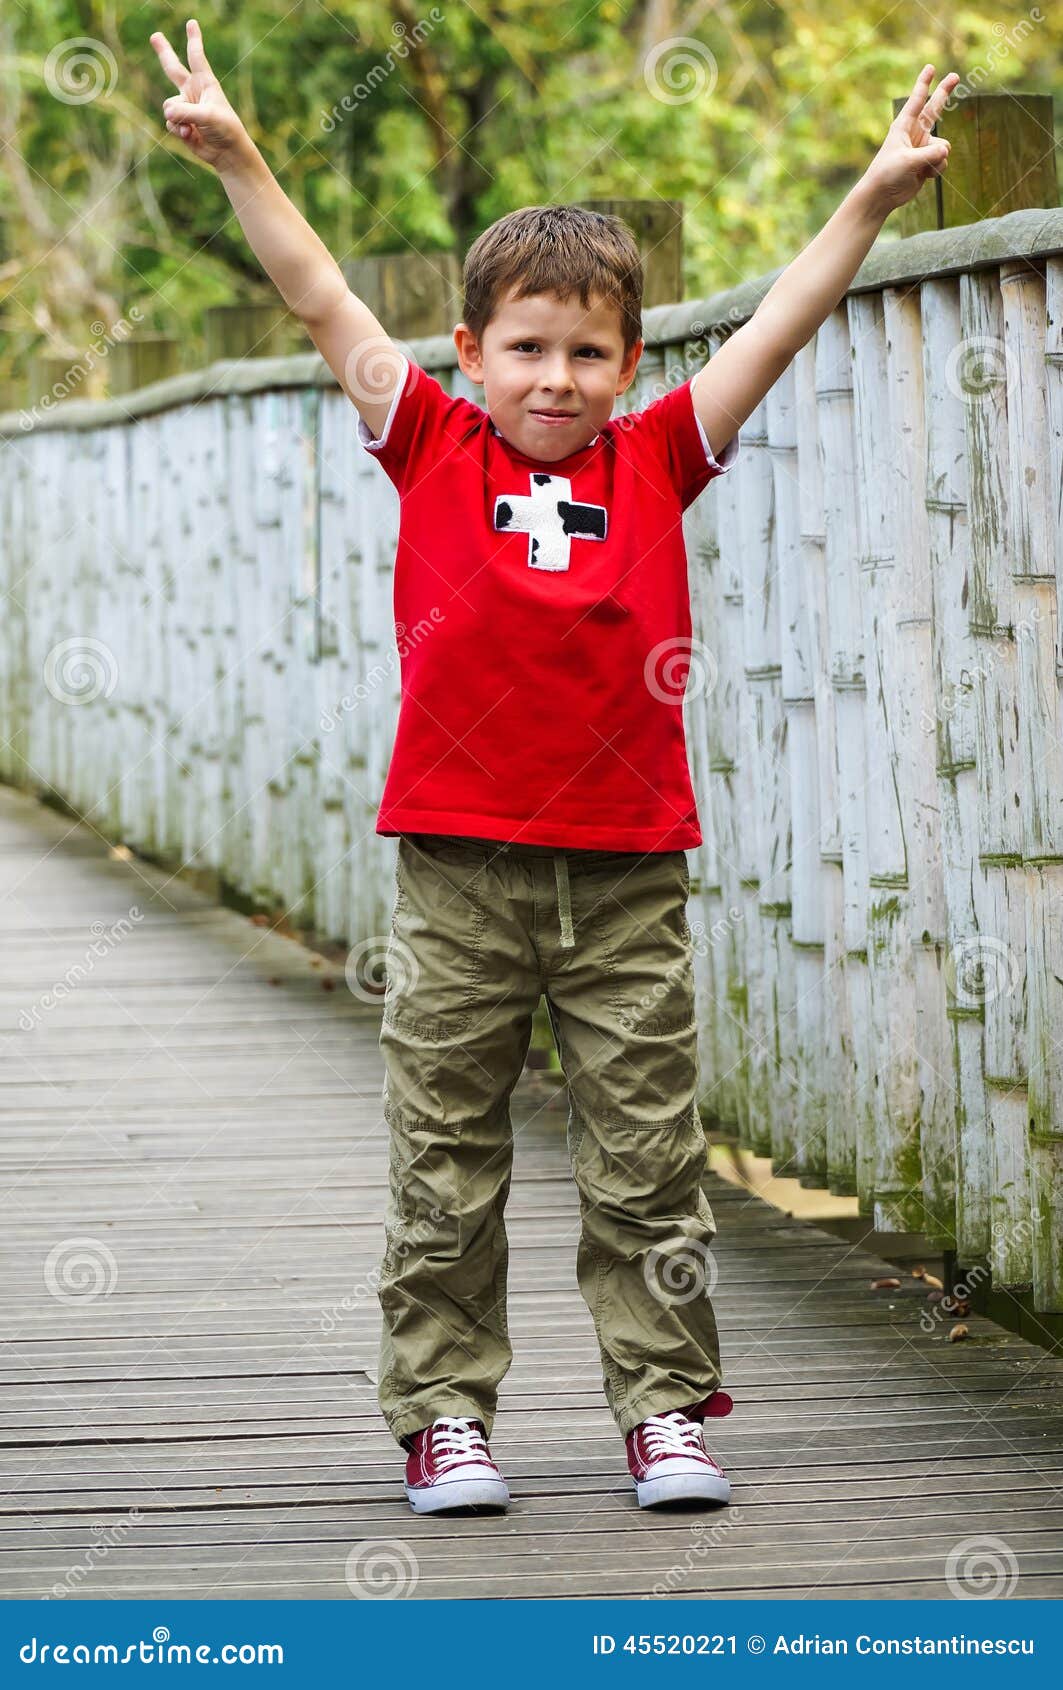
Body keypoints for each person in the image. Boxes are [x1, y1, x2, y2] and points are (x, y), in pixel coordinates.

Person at [150, 21, 957, 1515]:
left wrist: (871, 198)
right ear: (470, 354)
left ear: (631, 362)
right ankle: (444, 1412)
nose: (558, 377)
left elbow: (777, 328)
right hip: (457, 863)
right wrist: (246, 156)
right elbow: (320, 293)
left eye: (591, 351)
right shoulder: (431, 445)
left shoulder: (654, 460)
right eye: (526, 346)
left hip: (628, 869)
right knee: (444, 1153)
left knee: (645, 1153)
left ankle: (662, 1407)